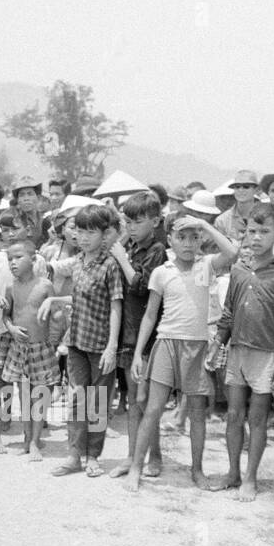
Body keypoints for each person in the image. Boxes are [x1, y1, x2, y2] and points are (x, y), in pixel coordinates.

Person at [125, 215, 238, 491]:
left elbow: (232, 252)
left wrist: (204, 224)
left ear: (201, 239)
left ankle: (197, 470)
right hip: (166, 343)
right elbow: (151, 315)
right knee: (152, 408)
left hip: (197, 346)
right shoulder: (162, 271)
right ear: (170, 240)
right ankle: (137, 468)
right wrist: (140, 353)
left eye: (194, 237)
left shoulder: (206, 266)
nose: (188, 244)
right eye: (182, 237)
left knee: (197, 413)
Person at [206, 206, 274, 500]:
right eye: (251, 232)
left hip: (266, 355)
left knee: (257, 418)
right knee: (233, 414)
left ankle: (250, 478)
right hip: (237, 351)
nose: (257, 238)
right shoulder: (239, 270)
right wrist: (218, 342)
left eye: (264, 232)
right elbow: (229, 311)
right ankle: (233, 472)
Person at [39, 203, 134, 478]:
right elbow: (80, 300)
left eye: (91, 231)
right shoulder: (78, 263)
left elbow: (116, 305)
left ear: (104, 234)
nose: (84, 237)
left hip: (101, 344)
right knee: (77, 400)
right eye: (80, 231)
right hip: (77, 342)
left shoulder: (110, 265)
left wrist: (111, 347)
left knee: (99, 402)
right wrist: (55, 298)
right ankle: (73, 455)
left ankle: (93, 455)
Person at [110, 191, 169, 479]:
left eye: (138, 221)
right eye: (127, 221)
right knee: (133, 399)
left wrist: (121, 255)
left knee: (146, 400)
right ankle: (132, 455)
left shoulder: (157, 249)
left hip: (146, 336)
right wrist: (122, 244)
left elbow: (140, 285)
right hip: (127, 332)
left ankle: (153, 455)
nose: (131, 227)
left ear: (156, 221)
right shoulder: (130, 247)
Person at [0, 240, 57, 460]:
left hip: (41, 347)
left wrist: (55, 338)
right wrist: (11, 328)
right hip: (19, 346)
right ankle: (27, 438)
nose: (12, 263)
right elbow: (6, 315)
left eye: (17, 258)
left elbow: (55, 316)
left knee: (39, 394)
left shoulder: (45, 285)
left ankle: (35, 440)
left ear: (33, 260)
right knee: (23, 394)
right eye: (9, 259)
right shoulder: (10, 287)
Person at [214, 169, 261, 243]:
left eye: (246, 187)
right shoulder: (222, 221)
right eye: (237, 187)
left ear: (256, 190)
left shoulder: (267, 216)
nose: (241, 190)